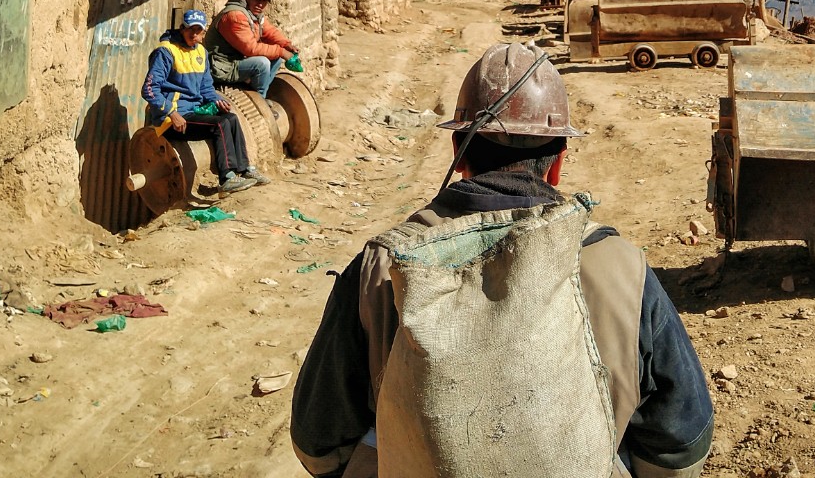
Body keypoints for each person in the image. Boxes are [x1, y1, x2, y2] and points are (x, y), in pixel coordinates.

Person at [290, 42, 714, 478]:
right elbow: (681, 445)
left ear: (458, 149)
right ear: (558, 162)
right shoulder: (621, 267)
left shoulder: (382, 267)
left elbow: (317, 444)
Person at [141, 9, 266, 193]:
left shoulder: (201, 52)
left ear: (203, 33)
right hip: (172, 120)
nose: (194, 34)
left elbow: (206, 87)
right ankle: (226, 178)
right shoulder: (166, 52)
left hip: (193, 112)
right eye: (190, 29)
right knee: (220, 124)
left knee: (231, 118)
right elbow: (149, 89)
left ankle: (245, 169)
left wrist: (216, 100)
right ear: (182, 28)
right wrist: (171, 113)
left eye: (198, 30)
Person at [209, 0, 299, 99]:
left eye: (264, 1)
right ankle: (259, 100)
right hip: (222, 66)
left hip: (236, 61)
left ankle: (256, 93)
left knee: (275, 59)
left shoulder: (253, 12)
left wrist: (286, 45)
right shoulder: (235, 16)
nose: (260, 4)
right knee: (262, 63)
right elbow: (250, 48)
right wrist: (281, 51)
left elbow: (269, 31)